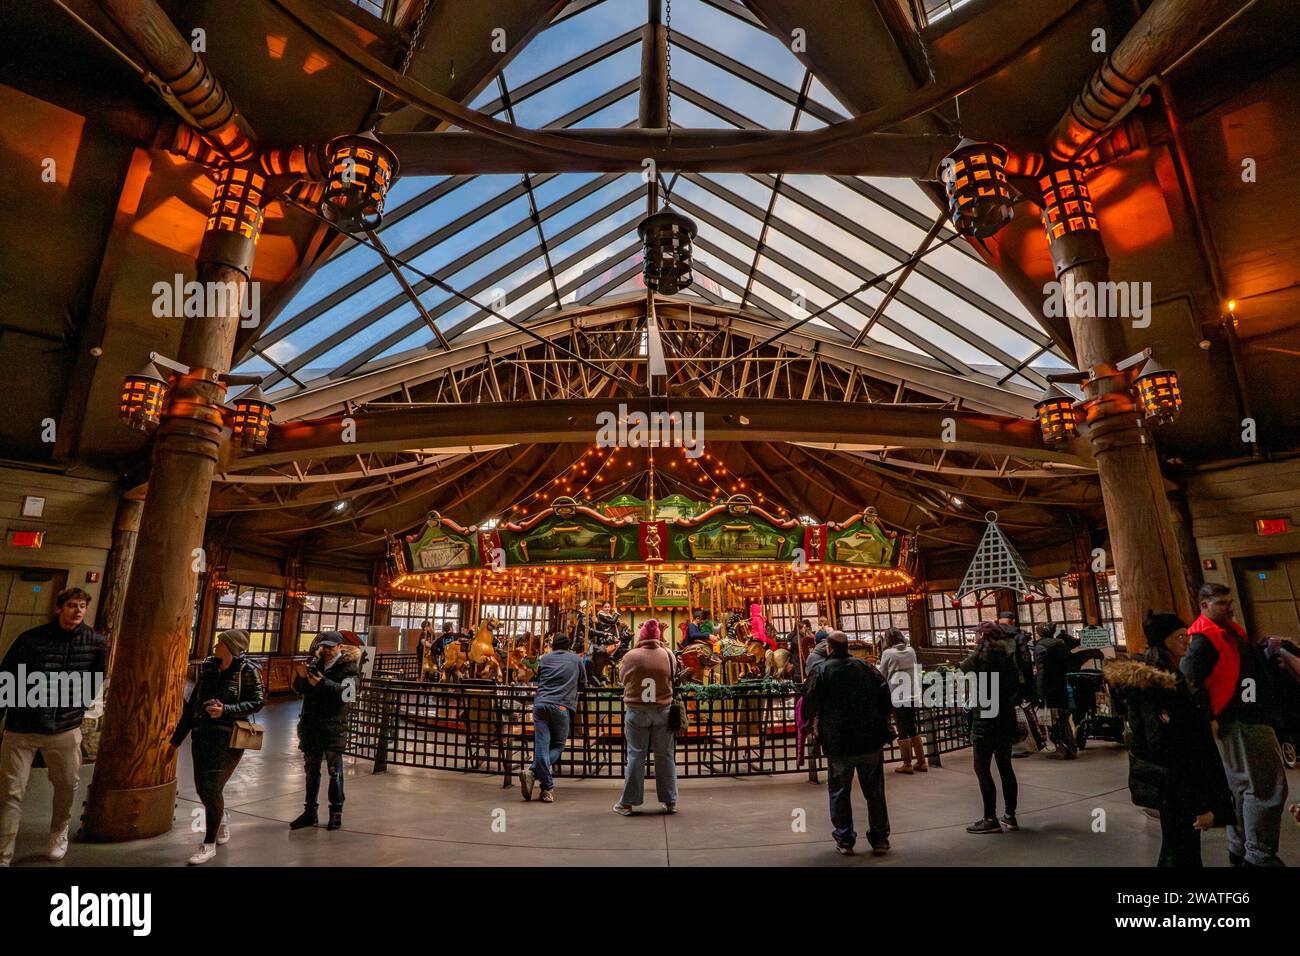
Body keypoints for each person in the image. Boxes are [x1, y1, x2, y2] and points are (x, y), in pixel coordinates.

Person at [1105, 611, 1232, 867]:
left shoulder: (1171, 678)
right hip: (1177, 783)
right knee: (1181, 849)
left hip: (1178, 782)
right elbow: (1166, 745)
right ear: (1164, 641)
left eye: (1187, 636)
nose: (1187, 641)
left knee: (1179, 847)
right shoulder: (1158, 687)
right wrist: (1198, 800)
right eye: (1180, 637)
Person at [1181, 583, 1289, 866]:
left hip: (1245, 713)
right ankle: (1259, 853)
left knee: (1242, 787)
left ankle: (1241, 848)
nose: (1230, 608)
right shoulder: (1204, 639)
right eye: (1222, 603)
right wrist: (1209, 717)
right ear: (1204, 605)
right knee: (1264, 787)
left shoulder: (1229, 632)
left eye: (1230, 602)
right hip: (1240, 718)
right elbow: (1190, 680)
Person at [0, 587, 106, 867]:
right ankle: (3, 852)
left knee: (67, 784)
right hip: (23, 726)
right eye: (72, 605)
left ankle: (59, 832)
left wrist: (77, 708)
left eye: (82, 605)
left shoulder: (96, 642)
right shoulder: (31, 640)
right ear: (59, 608)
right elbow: (6, 678)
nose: (78, 610)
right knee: (11, 792)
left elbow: (95, 678)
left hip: (64, 727)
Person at [170, 628, 264, 865]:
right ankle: (219, 818)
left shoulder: (248, 671)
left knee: (212, 786)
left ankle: (208, 843)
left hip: (229, 737)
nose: (215, 647)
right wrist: (176, 740)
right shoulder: (209, 669)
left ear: (231, 648)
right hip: (202, 735)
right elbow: (192, 707)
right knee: (203, 788)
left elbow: (257, 701)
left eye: (220, 643)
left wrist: (226, 710)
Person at [802, 629, 894, 855]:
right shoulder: (866, 668)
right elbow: (885, 696)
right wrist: (881, 722)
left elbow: (808, 702)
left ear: (828, 648)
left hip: (838, 741)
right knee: (874, 791)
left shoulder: (821, 671)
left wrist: (812, 726)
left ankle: (845, 839)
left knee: (839, 791)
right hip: (869, 738)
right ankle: (880, 837)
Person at [290, 632, 360, 832]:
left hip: (333, 725)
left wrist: (322, 683)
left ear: (340, 647)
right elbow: (303, 690)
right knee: (311, 771)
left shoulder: (349, 668)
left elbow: (348, 694)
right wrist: (301, 679)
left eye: (331, 647)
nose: (327, 651)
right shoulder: (316, 664)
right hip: (312, 725)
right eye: (324, 647)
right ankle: (310, 811)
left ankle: (336, 812)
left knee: (334, 771)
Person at [960, 620, 1022, 834]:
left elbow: (962, 669)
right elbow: (1016, 684)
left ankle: (989, 817)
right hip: (1005, 716)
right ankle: (1010, 815)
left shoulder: (979, 657)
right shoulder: (1008, 656)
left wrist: (976, 650)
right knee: (1005, 767)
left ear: (983, 637)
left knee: (982, 768)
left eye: (977, 634)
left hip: (985, 719)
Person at [613, 620, 678, 816]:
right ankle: (670, 800)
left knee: (635, 755)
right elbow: (674, 675)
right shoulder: (668, 655)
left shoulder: (630, 656)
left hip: (637, 710)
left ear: (641, 636)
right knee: (665, 756)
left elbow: (622, 678)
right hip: (663, 710)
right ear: (658, 636)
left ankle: (628, 803)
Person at [521, 632, 585, 803]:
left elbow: (540, 677)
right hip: (561, 705)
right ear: (568, 645)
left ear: (553, 645)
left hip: (540, 704)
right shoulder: (576, 659)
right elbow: (583, 683)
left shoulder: (544, 658)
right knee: (558, 745)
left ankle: (545, 787)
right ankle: (535, 774)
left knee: (541, 747)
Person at [879, 628, 927, 774]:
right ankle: (922, 761)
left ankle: (907, 764)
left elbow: (881, 674)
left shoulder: (888, 653)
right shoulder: (911, 651)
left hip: (897, 695)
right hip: (912, 694)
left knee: (901, 728)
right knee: (912, 726)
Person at [1032, 622, 1077, 758]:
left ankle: (1061, 746)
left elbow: (1041, 671)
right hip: (1061, 683)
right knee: (1063, 717)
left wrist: (1039, 692)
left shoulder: (1041, 647)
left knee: (1053, 719)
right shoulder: (1061, 644)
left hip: (1048, 686)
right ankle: (1070, 746)